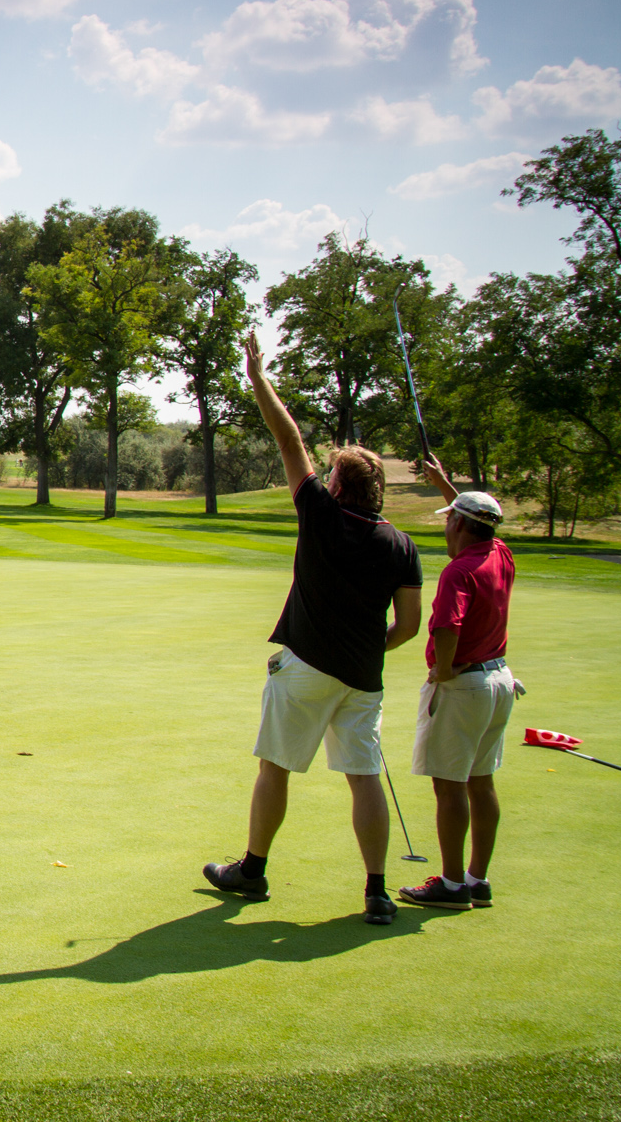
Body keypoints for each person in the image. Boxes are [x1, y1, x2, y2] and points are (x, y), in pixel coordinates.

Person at [203, 333, 423, 925]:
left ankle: (251, 870)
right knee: (363, 777)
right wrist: (368, 647)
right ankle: (376, 891)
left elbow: (289, 436)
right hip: (363, 677)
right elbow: (410, 625)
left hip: (304, 669)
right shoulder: (401, 544)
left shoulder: (321, 514)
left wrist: (256, 377)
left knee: (275, 766)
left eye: (329, 474)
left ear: (339, 485)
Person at [398, 458, 517, 912]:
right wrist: (445, 486)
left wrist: (443, 669)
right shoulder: (498, 553)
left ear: (461, 526)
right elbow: (478, 519)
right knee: (480, 782)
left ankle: (450, 885)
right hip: (499, 680)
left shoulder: (457, 572)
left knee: (448, 787)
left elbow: (447, 626)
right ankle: (477, 880)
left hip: (463, 684)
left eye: (450, 521)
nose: (445, 528)